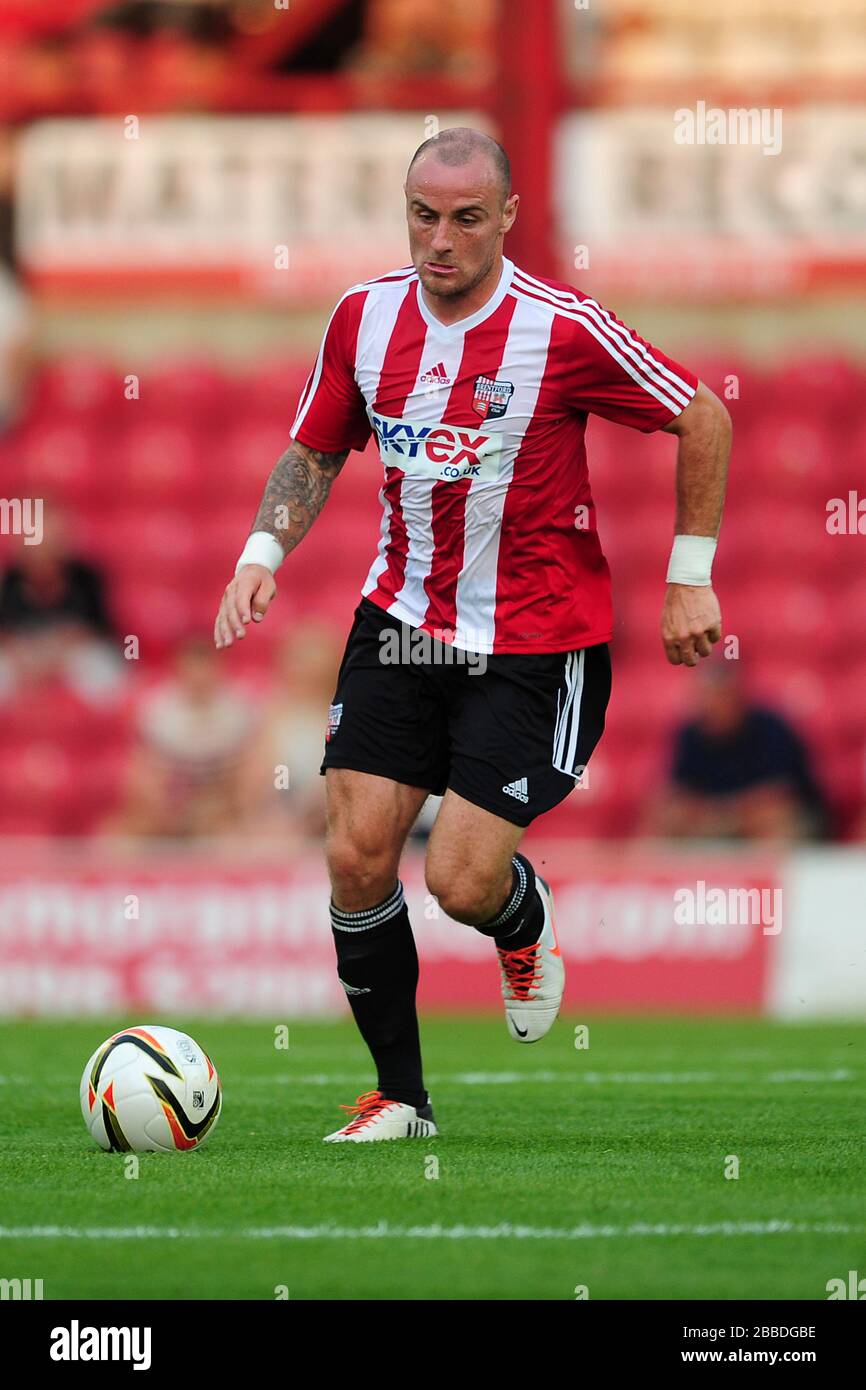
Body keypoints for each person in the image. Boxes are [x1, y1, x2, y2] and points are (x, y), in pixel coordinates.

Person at [214, 127, 731, 1142]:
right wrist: (260, 554)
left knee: (456, 881)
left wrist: (688, 580)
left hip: (534, 644)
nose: (437, 239)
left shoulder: (562, 327)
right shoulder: (361, 317)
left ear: (503, 218)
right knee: (358, 854)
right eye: (421, 215)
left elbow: (701, 415)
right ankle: (401, 1100)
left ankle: (518, 916)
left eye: (461, 218)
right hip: (400, 622)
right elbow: (315, 448)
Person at [646, 666, 828, 841]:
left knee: (775, 822)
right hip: (718, 820)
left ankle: (764, 871)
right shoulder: (691, 734)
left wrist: (730, 813)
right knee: (668, 819)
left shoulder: (772, 728)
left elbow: (782, 796)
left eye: (722, 697)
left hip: (776, 820)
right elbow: (677, 793)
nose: (715, 706)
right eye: (709, 699)